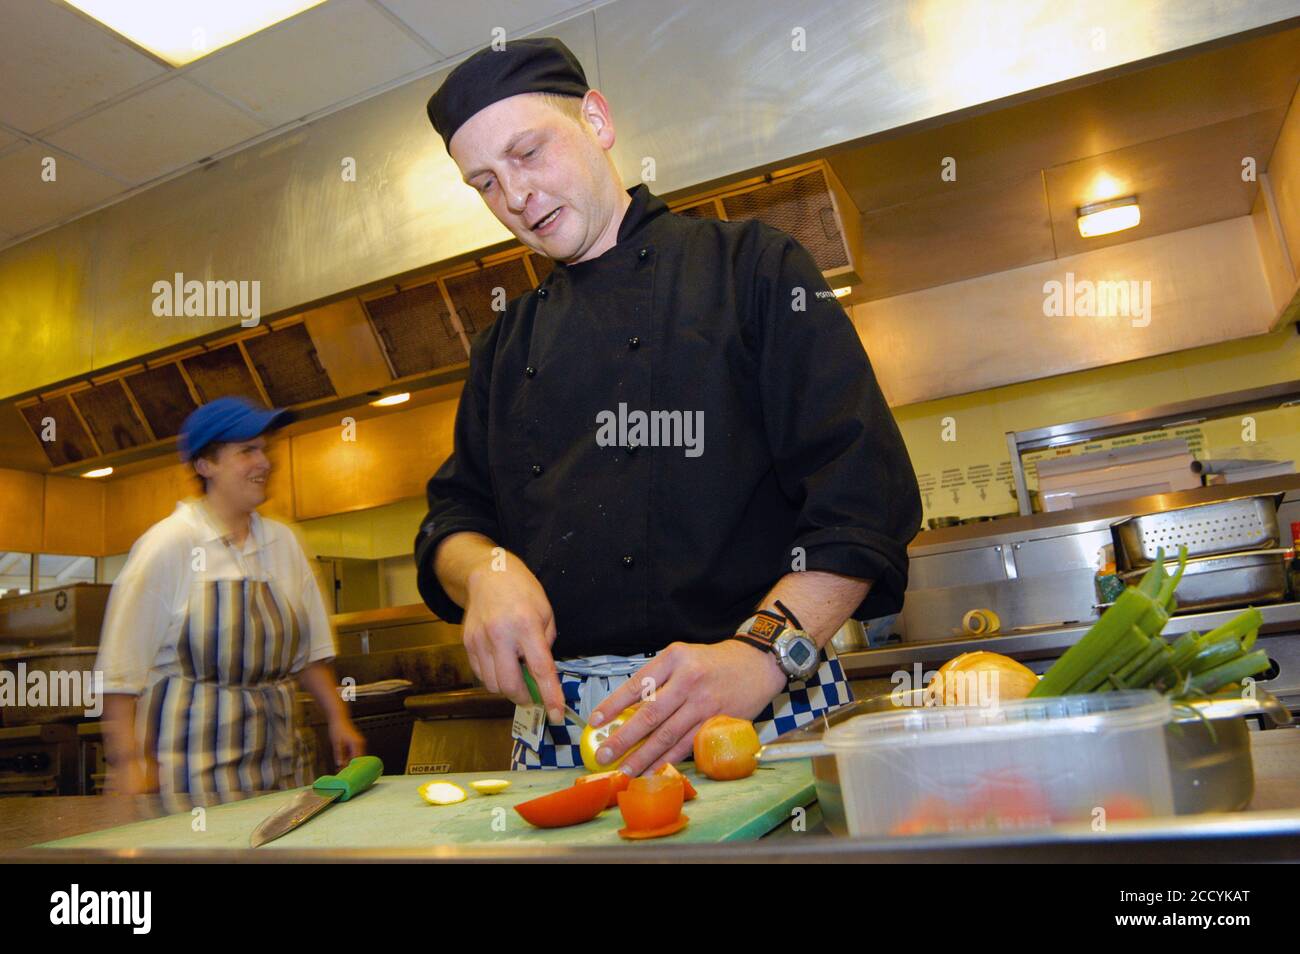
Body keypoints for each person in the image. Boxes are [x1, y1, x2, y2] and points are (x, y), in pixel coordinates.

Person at [414, 38, 922, 774]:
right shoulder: (504, 342)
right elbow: (453, 520)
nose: (515, 198)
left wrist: (761, 654)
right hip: (569, 738)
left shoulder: (753, 269)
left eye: (528, 152)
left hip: (760, 709)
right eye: (485, 183)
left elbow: (863, 505)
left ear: (596, 120)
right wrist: (486, 571)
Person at [96, 397, 365, 795]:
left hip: (282, 766)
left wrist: (338, 718)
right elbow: (120, 675)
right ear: (206, 465)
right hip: (193, 778)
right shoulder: (169, 544)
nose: (265, 463)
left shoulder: (283, 541)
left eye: (264, 449)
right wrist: (130, 762)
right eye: (246, 451)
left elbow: (310, 656)